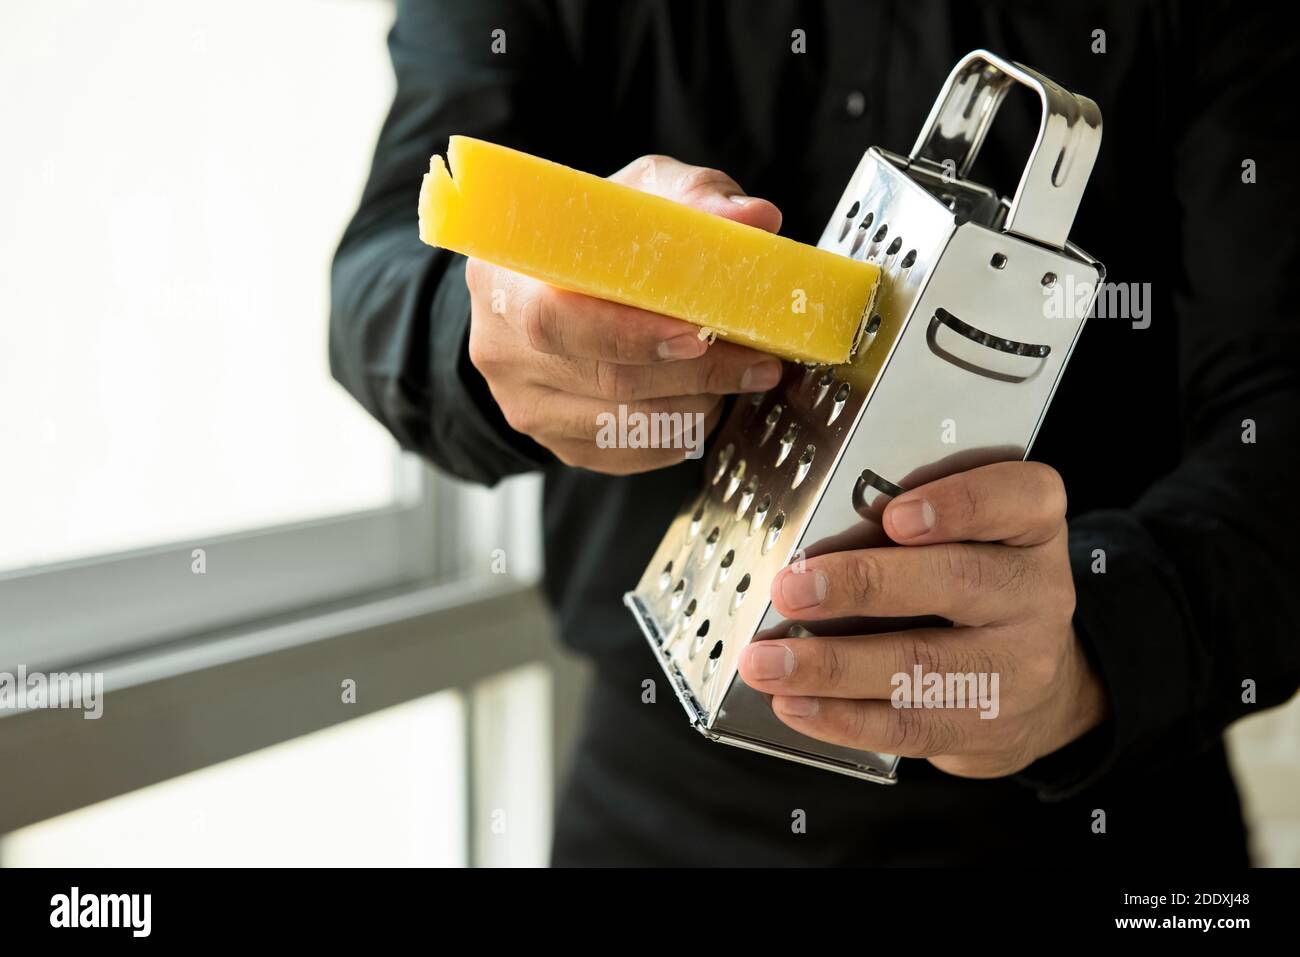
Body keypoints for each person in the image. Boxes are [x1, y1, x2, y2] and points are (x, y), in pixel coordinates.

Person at [330, 0, 1299, 866]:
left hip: (1094, 800)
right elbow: (376, 277)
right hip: (658, 791)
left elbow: (1280, 405)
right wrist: (496, 329)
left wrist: (1086, 655)